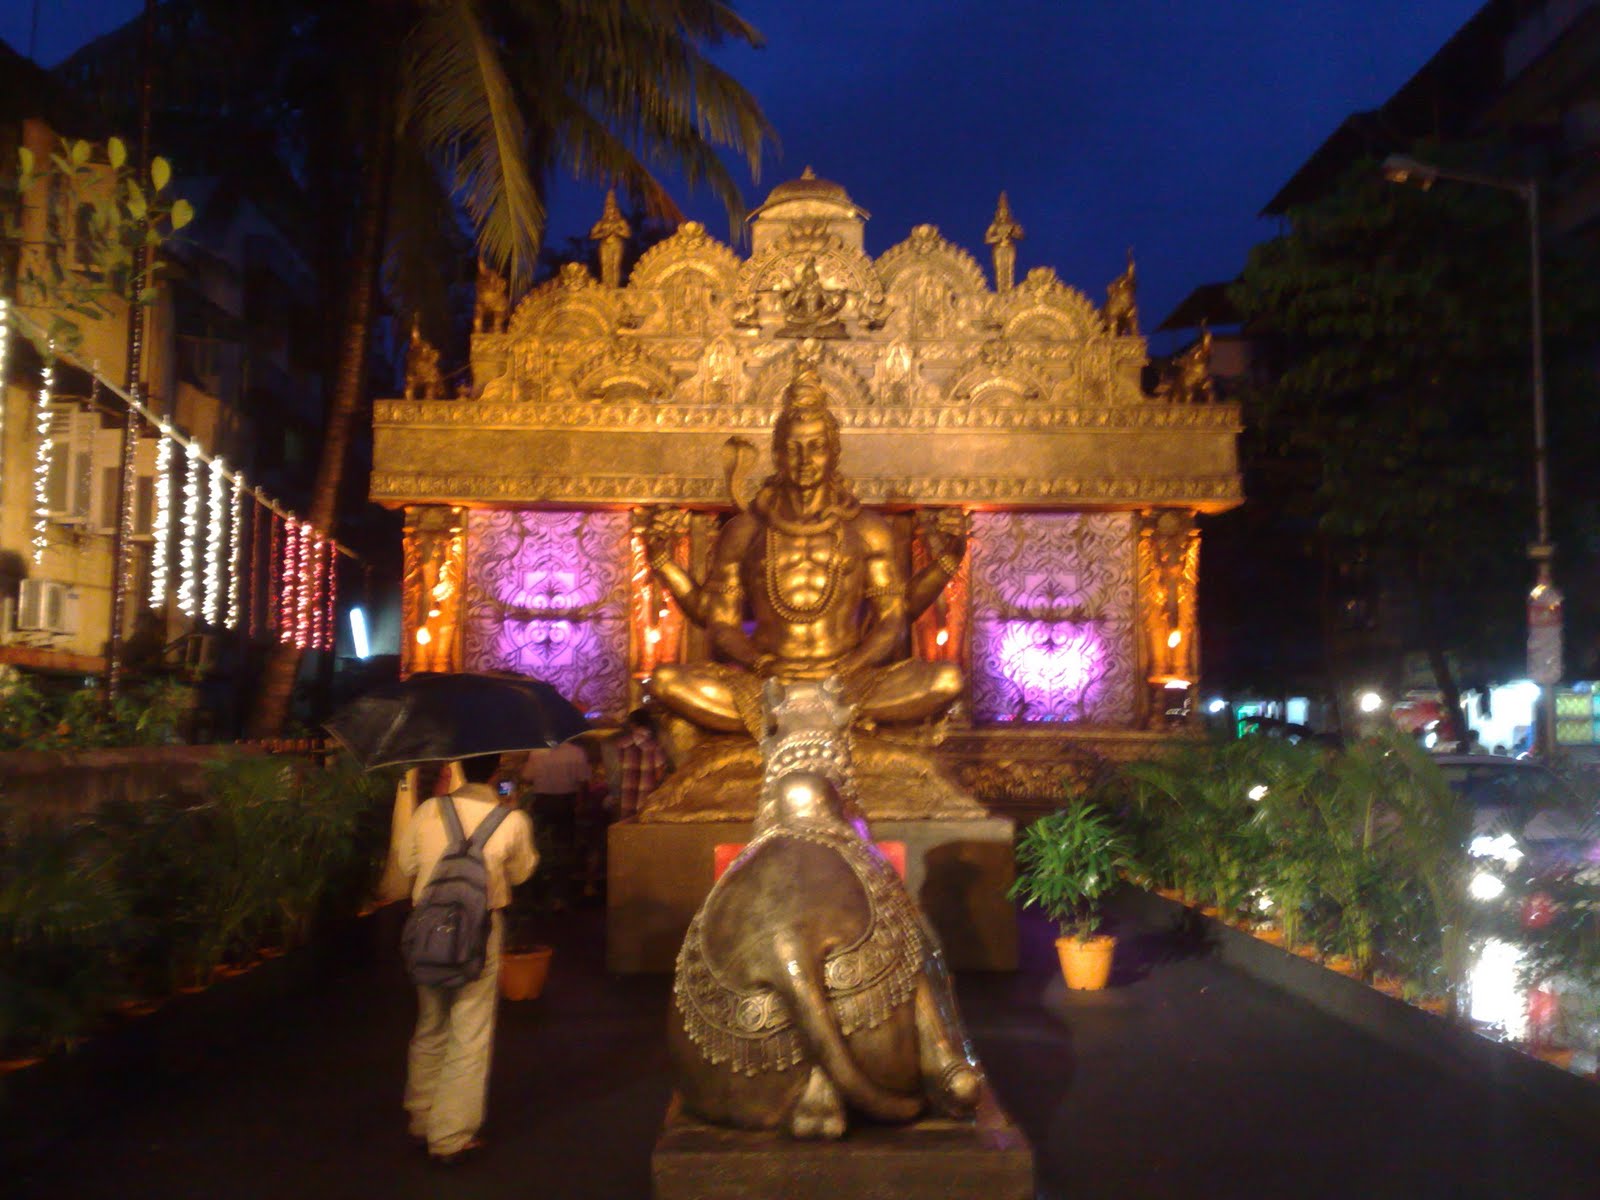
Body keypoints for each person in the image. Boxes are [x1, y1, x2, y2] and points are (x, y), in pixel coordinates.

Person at [645, 362, 964, 738]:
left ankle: (817, 716)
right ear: (777, 455)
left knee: (946, 679)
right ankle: (807, 718)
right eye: (793, 449)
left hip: (847, 682)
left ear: (834, 453)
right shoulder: (746, 530)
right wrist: (759, 663)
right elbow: (721, 623)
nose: (804, 460)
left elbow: (893, 620)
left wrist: (850, 667)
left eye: (816, 448)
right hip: (767, 685)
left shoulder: (867, 530)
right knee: (666, 681)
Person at [399, 753, 536, 1165]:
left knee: (430, 1023)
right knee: (470, 1030)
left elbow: (406, 863)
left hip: (427, 929)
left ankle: (421, 1116)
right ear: (495, 772)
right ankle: (450, 1134)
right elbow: (522, 873)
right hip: (479, 932)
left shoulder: (428, 810)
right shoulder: (510, 819)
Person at [614, 708, 668, 820]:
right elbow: (659, 775)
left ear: (632, 724)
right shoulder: (655, 746)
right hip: (646, 802)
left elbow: (619, 767)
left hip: (627, 800)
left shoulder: (621, 743)